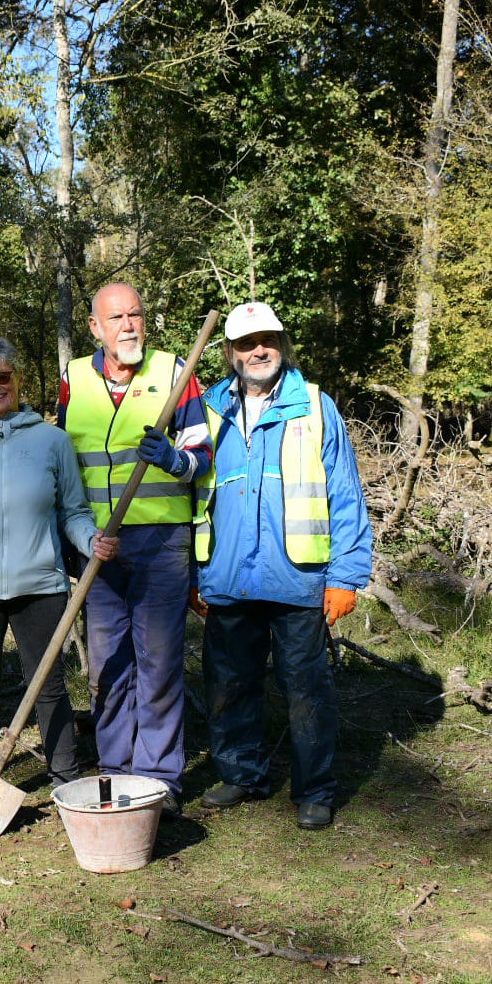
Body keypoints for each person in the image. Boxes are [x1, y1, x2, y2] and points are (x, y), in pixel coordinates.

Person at [192, 301, 373, 830]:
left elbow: (344, 494)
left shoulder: (314, 407)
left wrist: (344, 577)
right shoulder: (206, 410)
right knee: (228, 684)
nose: (258, 351)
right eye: (246, 344)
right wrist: (193, 575)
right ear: (230, 352)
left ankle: (314, 789)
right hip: (225, 578)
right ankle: (242, 774)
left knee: (307, 690)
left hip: (298, 579)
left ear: (281, 343)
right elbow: (187, 500)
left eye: (266, 340)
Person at [0, 338, 117, 784]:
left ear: (18, 379)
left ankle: (65, 780)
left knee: (49, 687)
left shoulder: (52, 441)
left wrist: (91, 540)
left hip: (41, 587)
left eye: (2, 377)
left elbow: (73, 511)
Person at [59, 282, 212, 814]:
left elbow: (201, 454)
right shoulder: (74, 379)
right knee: (107, 666)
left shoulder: (173, 374)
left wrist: (174, 460)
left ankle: (157, 780)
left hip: (160, 542)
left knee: (160, 663)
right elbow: (63, 463)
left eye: (136, 315)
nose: (129, 325)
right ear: (96, 329)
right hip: (98, 545)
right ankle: (115, 772)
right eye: (116, 317)